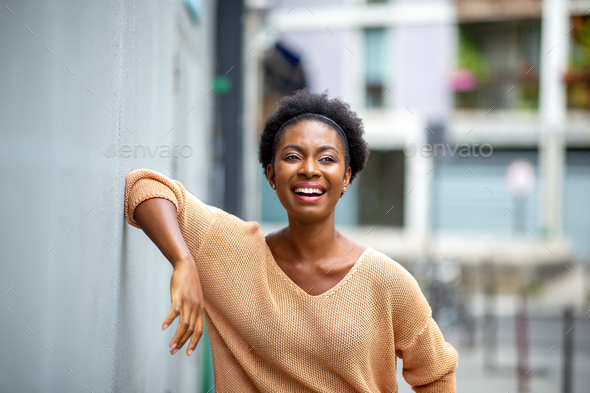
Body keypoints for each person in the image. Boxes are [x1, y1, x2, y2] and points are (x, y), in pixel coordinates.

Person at [124, 89, 459, 392]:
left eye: (327, 159)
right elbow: (144, 186)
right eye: (293, 156)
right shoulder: (229, 248)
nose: (309, 169)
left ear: (346, 177)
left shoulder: (387, 282)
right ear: (271, 174)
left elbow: (436, 375)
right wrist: (183, 260)